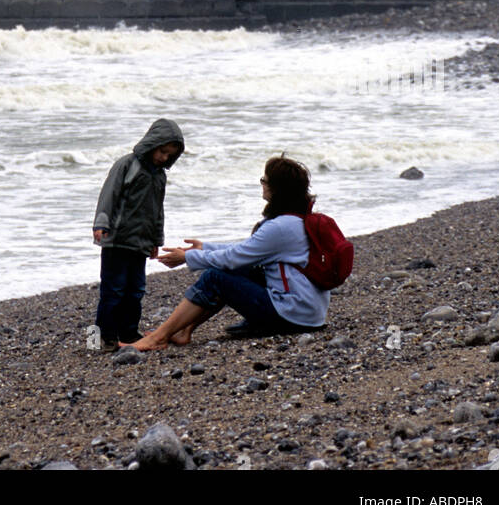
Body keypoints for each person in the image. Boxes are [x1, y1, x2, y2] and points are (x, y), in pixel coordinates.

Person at [129, 154, 329, 350]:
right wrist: (204, 248)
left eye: (264, 180)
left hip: (293, 315)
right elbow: (248, 249)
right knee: (232, 272)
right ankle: (183, 331)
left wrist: (188, 257)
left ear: (278, 189)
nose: (262, 183)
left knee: (215, 277)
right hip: (307, 311)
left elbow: (233, 258)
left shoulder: (281, 227)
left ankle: (158, 337)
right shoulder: (297, 219)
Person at [92, 119, 185, 350]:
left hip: (141, 243)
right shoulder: (127, 165)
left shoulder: (160, 176)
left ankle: (129, 333)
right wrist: (101, 223)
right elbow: (108, 196)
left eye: (169, 155)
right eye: (162, 151)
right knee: (112, 291)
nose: (164, 158)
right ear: (152, 144)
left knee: (135, 291)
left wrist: (156, 241)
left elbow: (157, 210)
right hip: (116, 239)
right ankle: (97, 340)